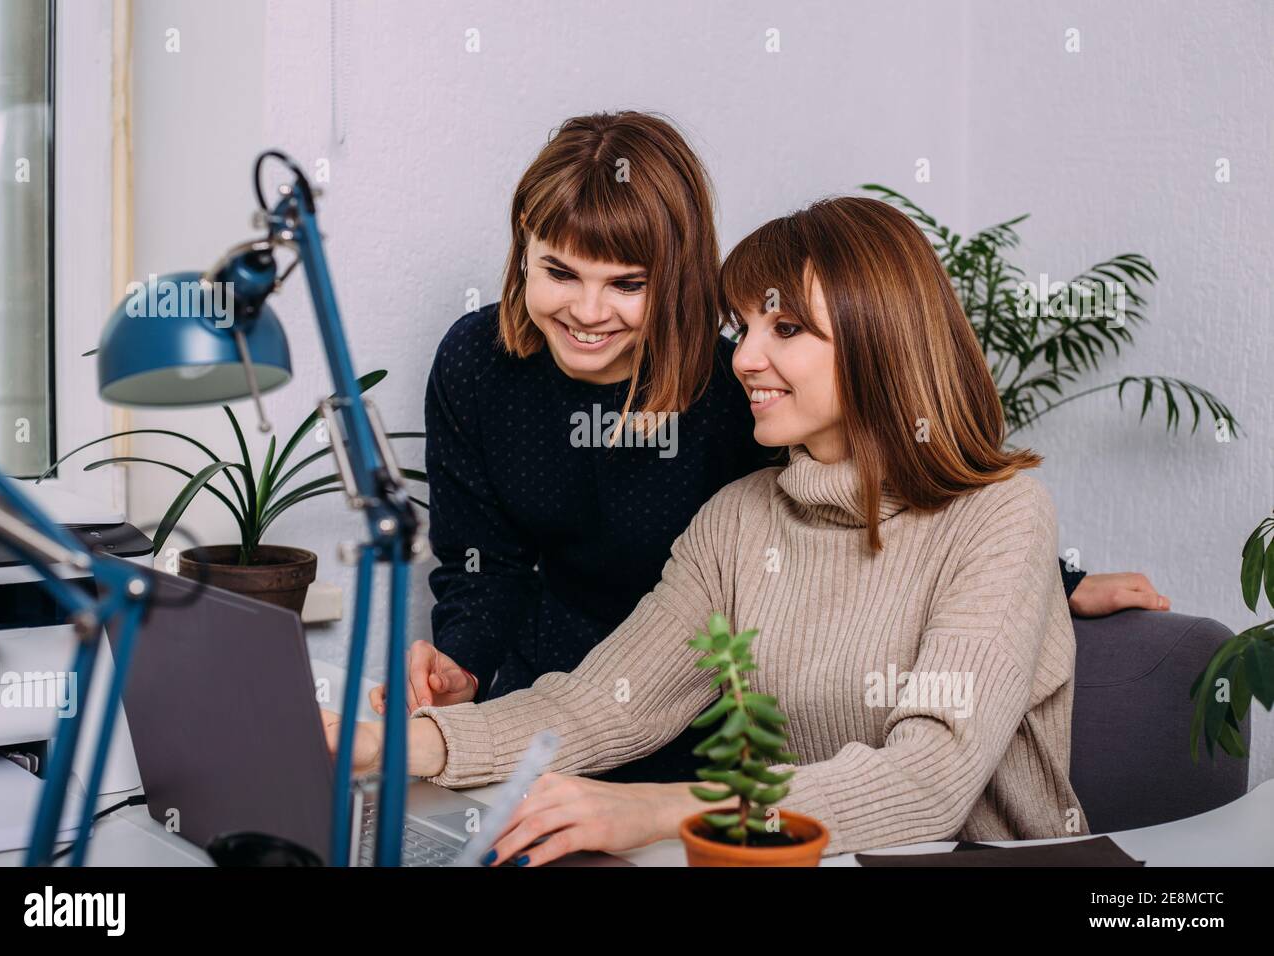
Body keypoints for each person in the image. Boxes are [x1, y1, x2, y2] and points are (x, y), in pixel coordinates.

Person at [364, 111, 1168, 787]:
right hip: (581, 708)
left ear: (675, 280)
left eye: (626, 284)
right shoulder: (489, 370)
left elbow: (875, 546)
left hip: (718, 745)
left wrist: (1044, 583)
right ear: (522, 258)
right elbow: (522, 611)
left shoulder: (742, 401)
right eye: (559, 273)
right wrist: (433, 707)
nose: (587, 310)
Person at [327, 196, 1101, 862]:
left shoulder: (1001, 514)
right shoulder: (742, 517)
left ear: (881, 341)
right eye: (746, 326)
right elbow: (603, 704)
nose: (746, 358)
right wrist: (404, 746)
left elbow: (926, 784)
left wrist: (662, 809)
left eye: (787, 329)